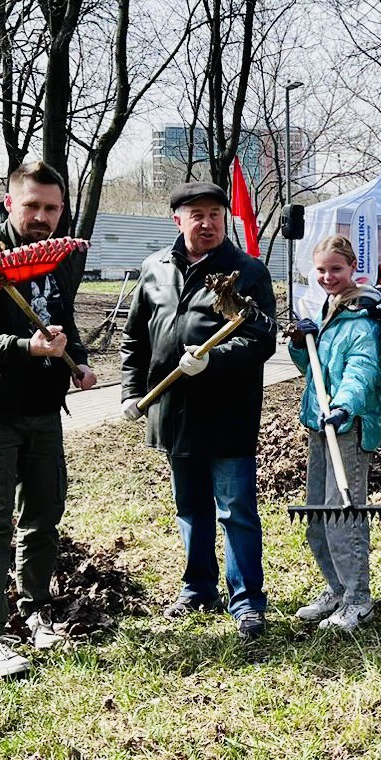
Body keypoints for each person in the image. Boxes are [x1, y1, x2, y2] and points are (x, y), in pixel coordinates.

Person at [0, 161, 98, 678]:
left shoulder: (58, 257)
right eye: (32, 205)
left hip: (42, 411)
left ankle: (36, 611)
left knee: (44, 514)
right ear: (10, 202)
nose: (42, 216)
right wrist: (24, 347)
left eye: (52, 208)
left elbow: (62, 315)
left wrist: (74, 358)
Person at [120, 181, 277, 640]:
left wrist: (214, 360)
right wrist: (131, 392)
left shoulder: (246, 271)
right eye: (196, 215)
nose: (206, 223)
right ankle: (198, 588)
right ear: (178, 220)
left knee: (236, 510)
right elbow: (135, 338)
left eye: (214, 214)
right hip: (172, 411)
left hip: (227, 412)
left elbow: (261, 339)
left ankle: (247, 601)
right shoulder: (154, 269)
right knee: (190, 508)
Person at [290, 236, 381, 632]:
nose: (328, 276)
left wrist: (344, 405)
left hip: (346, 427)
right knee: (318, 514)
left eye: (336, 269)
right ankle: (335, 589)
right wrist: (300, 344)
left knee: (342, 515)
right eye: (322, 270)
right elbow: (313, 372)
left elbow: (362, 370)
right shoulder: (329, 313)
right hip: (319, 424)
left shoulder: (362, 319)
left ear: (353, 270)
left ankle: (358, 599)